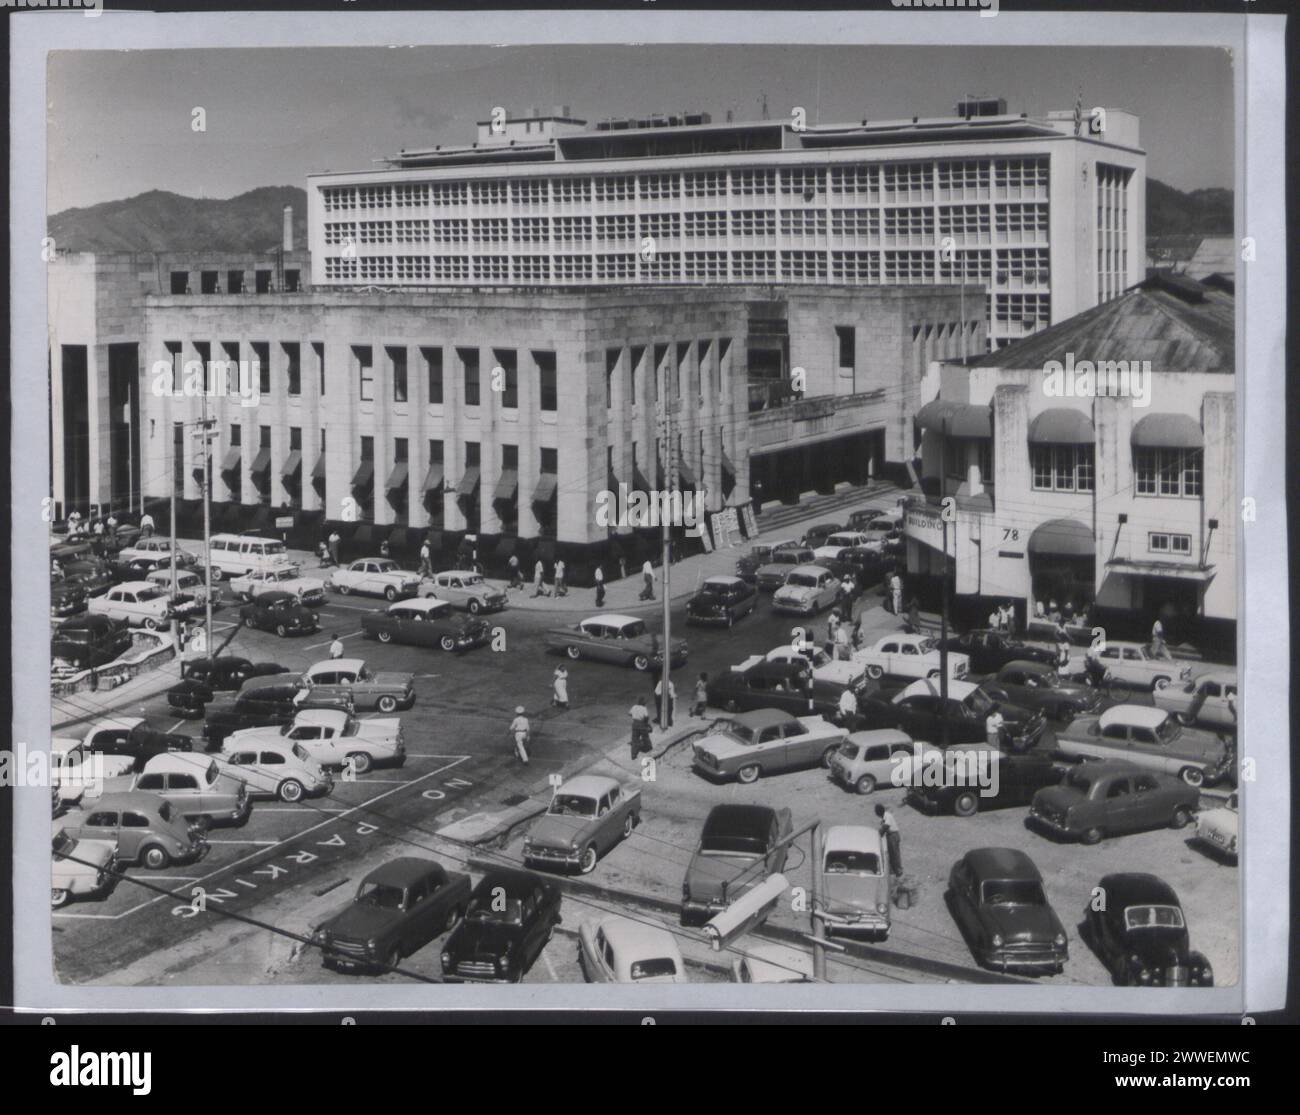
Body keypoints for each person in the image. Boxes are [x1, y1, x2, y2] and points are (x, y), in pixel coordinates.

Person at [876, 803, 902, 877]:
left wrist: (878, 834)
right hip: (889, 836)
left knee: (895, 853)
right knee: (891, 853)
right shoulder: (883, 818)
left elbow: (885, 827)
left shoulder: (888, 816)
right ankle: (892, 870)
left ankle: (898, 870)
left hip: (893, 835)